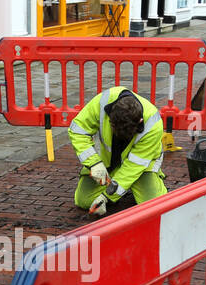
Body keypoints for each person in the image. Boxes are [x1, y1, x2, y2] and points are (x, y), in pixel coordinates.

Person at [69, 87, 167, 215]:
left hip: (141, 168)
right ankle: (121, 183)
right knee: (84, 201)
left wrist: (106, 197)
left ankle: (144, 181)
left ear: (140, 122)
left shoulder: (153, 125)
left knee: (155, 204)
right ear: (110, 118)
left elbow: (133, 167)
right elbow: (78, 132)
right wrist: (94, 163)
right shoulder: (101, 103)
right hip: (106, 162)